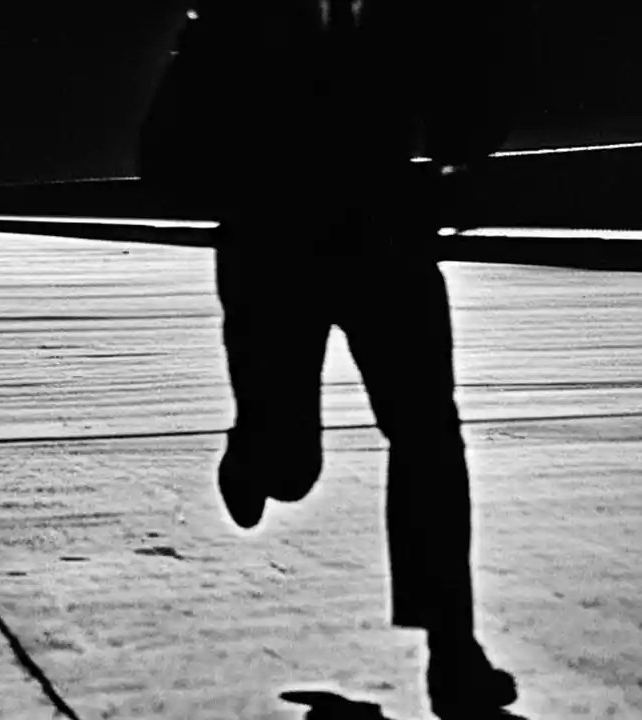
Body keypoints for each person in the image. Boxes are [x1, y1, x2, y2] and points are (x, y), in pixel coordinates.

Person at [139, 1, 535, 717]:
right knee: (292, 469)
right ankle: (257, 452)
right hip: (273, 251)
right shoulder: (235, 15)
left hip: (384, 240)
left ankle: (453, 650)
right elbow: (164, 155)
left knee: (427, 433)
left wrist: (466, 145)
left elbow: (472, 100)